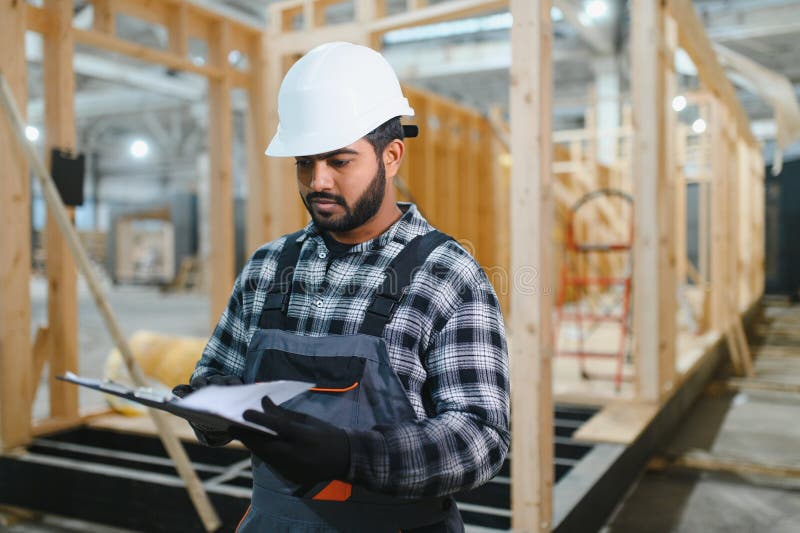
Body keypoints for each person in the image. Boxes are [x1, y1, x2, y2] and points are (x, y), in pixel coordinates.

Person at [178, 41, 510, 532]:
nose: (318, 182)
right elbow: (215, 373)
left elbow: (480, 438)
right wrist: (210, 411)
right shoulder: (268, 267)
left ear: (392, 155)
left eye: (339, 161)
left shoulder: (446, 274)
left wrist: (354, 455)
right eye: (305, 163)